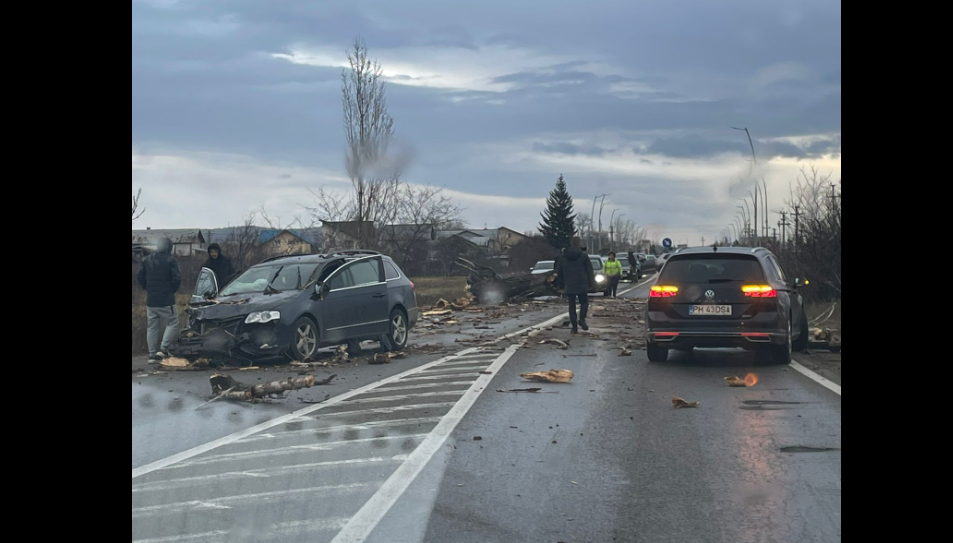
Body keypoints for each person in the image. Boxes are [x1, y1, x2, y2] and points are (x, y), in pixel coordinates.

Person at [137, 237, 182, 361]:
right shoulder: (171, 260)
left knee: (152, 327)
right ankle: (163, 349)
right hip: (166, 300)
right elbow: (177, 278)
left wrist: (148, 288)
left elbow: (139, 277)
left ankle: (151, 355)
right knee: (173, 323)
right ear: (169, 247)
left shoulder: (147, 260)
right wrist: (171, 291)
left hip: (151, 300)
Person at [556, 237, 595, 333]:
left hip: (569, 283)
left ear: (571, 243)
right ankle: (581, 319)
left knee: (572, 306)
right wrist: (592, 283)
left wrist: (560, 285)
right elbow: (589, 271)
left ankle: (574, 327)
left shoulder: (563, 256)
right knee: (584, 303)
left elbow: (559, 271)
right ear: (579, 244)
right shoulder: (583, 255)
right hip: (582, 283)